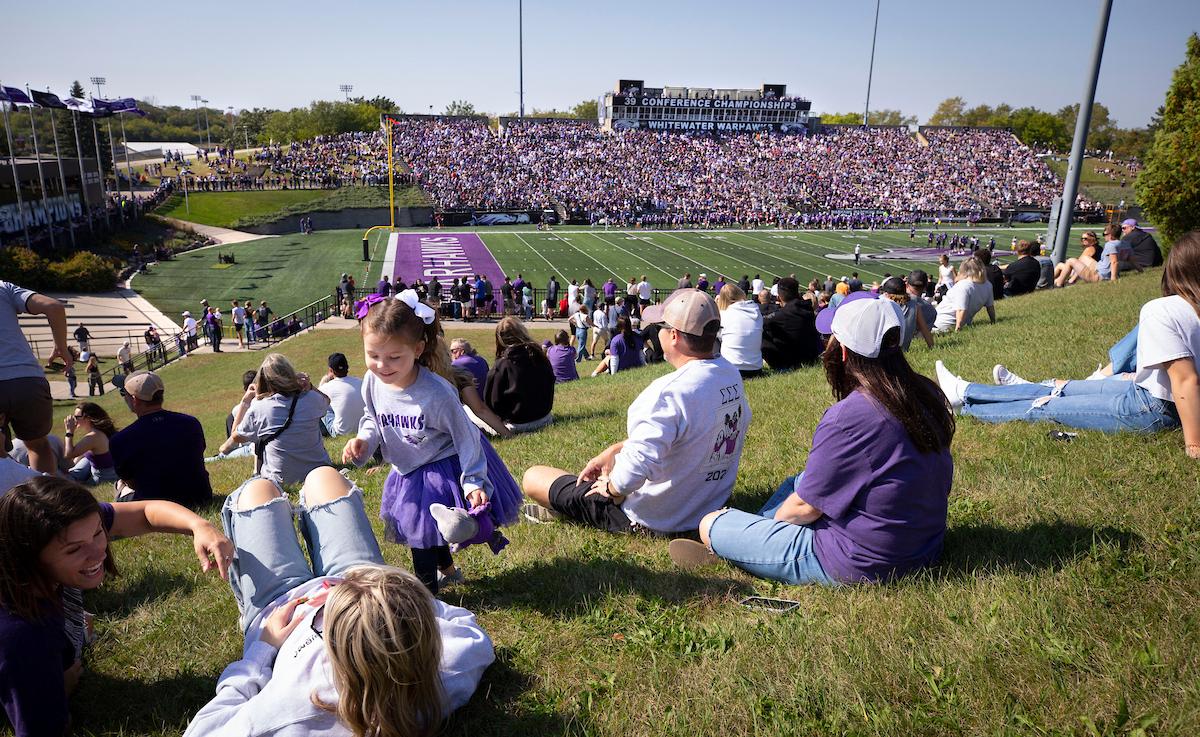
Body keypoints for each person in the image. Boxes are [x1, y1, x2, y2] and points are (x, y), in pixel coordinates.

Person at [185, 468, 493, 737]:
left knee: (258, 491)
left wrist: (262, 649)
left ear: (333, 652)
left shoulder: (288, 712)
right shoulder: (448, 672)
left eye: (323, 620)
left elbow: (203, 730)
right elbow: (467, 626)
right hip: (364, 584)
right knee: (324, 477)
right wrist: (385, 599)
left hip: (279, 608)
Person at [672, 297, 955, 584]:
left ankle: (739, 545)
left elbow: (805, 509)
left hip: (862, 560)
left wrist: (769, 531)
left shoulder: (848, 417)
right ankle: (747, 540)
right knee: (798, 482)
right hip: (923, 546)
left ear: (843, 352)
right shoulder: (925, 392)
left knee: (711, 522)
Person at [0, 475, 233, 737]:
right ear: (28, 555)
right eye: (74, 550)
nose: (98, 552)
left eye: (98, 532)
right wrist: (57, 689)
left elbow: (145, 513)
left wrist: (199, 525)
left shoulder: (68, 527)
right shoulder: (24, 636)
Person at [935, 230, 1200, 458]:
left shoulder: (1162, 309)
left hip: (1151, 407)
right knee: (1062, 388)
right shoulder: (1176, 309)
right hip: (1145, 392)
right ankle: (965, 390)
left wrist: (1194, 444)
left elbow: (1186, 380)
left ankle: (964, 407)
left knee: (1045, 407)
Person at [522, 288, 751, 537]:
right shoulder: (729, 373)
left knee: (533, 477)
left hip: (653, 519)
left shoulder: (668, 392)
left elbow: (633, 472)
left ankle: (566, 509)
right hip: (707, 508)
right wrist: (615, 450)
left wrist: (610, 488)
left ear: (674, 335)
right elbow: (693, 432)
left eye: (660, 326)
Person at [342, 291, 522, 593]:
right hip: (408, 468)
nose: (382, 365)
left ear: (418, 349)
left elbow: (467, 437)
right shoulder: (373, 382)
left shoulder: (436, 393)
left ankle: (427, 595)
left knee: (420, 536)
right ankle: (449, 572)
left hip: (442, 467)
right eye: (373, 355)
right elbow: (372, 417)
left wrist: (473, 482)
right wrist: (364, 439)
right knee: (427, 529)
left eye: (394, 357)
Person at [222, 354, 331, 487]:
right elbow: (327, 401)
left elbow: (235, 436)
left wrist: (245, 402)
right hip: (320, 472)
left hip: (281, 480)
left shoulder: (259, 407)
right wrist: (310, 386)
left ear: (264, 380)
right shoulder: (311, 398)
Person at [110, 371, 213, 508]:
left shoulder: (121, 439)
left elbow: (131, 482)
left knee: (119, 485)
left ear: (134, 400)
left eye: (124, 394)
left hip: (155, 507)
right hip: (199, 496)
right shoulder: (191, 423)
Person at [1, 280, 70, 475]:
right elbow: (54, 307)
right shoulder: (3, 287)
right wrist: (61, 347)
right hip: (28, 380)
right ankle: (46, 493)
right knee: (38, 446)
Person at [485, 318, 555, 433]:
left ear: (500, 338)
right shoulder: (540, 356)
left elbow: (492, 402)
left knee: (470, 411)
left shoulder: (503, 365)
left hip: (516, 423)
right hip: (544, 418)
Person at [760, 277, 822, 371]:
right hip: (811, 357)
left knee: (762, 334)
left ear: (779, 297)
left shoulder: (780, 315)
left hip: (790, 362)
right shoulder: (808, 309)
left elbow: (762, 322)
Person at [932, 256, 995, 333]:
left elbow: (961, 310)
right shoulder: (988, 285)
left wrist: (958, 330)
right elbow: (990, 307)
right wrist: (993, 321)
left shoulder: (964, 286)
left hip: (940, 324)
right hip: (951, 322)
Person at [62, 403, 119, 486]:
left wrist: (69, 432)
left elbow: (68, 454)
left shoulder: (93, 436)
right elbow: (84, 453)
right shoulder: (103, 430)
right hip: (110, 470)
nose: (74, 420)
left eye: (77, 417)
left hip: (103, 477)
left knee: (67, 480)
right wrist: (76, 461)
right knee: (81, 461)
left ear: (88, 418)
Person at [715, 284, 763, 378]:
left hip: (731, 369)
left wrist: (716, 307)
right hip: (756, 369)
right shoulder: (756, 311)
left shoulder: (724, 314)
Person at [879, 277, 934, 350]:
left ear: (886, 294)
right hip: (903, 349)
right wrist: (932, 347)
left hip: (882, 349)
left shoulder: (881, 303)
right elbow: (925, 330)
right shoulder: (914, 305)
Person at [318, 353, 365, 437]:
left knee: (321, 406)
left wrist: (326, 379)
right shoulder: (361, 382)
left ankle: (323, 433)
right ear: (347, 367)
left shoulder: (326, 387)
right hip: (364, 426)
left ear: (331, 370)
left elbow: (315, 399)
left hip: (341, 432)